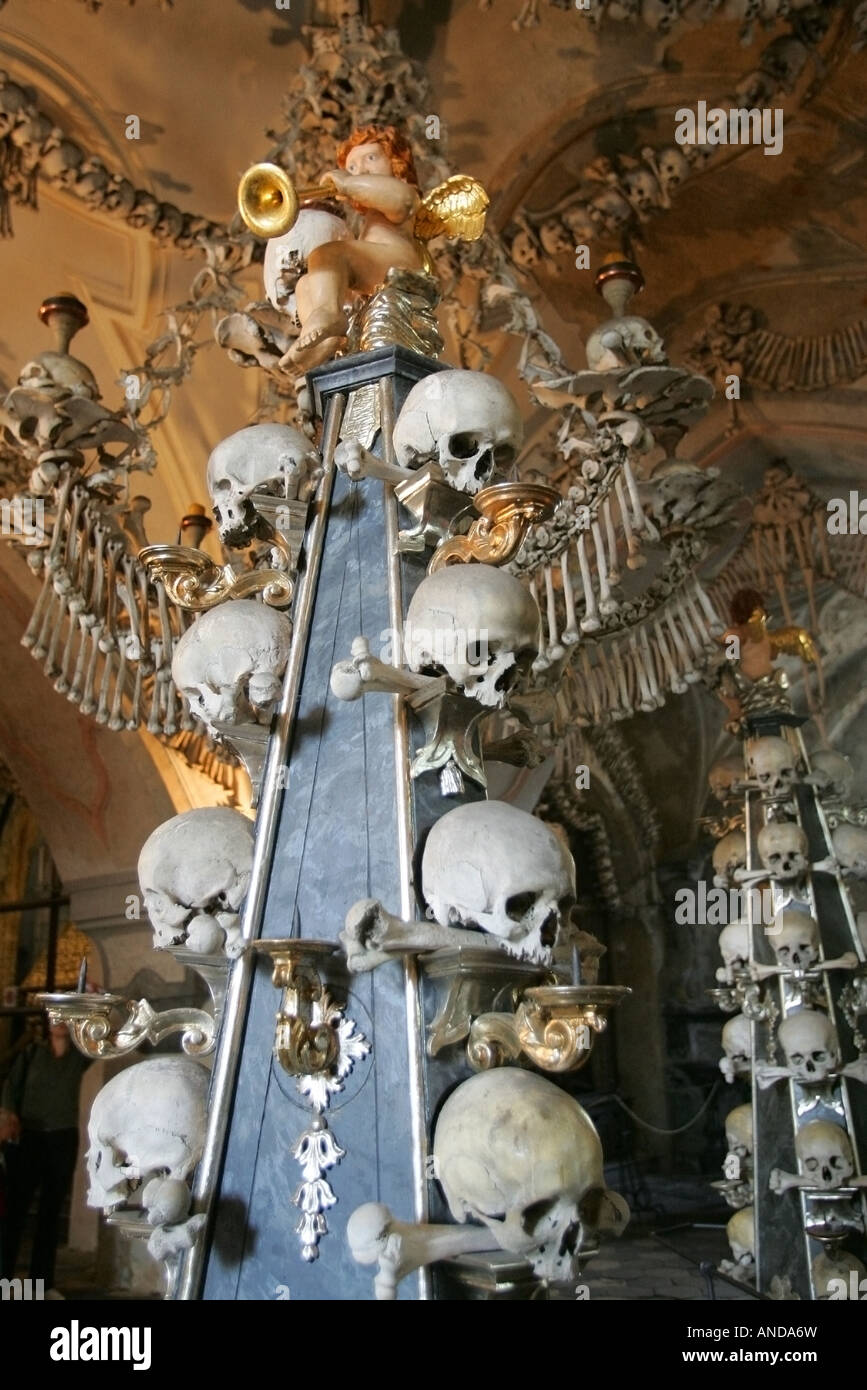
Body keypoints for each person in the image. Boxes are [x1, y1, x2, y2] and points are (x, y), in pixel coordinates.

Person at [285, 124, 424, 369]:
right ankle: (327, 338)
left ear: (397, 165)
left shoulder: (405, 191)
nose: (360, 169)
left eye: (371, 158)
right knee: (308, 281)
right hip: (376, 268)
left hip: (400, 263)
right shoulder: (368, 219)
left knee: (330, 253)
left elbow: (401, 203)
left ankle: (329, 314)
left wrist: (349, 184)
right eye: (351, 167)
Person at [1, 1019, 90, 1297]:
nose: (59, 1022)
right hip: (29, 1138)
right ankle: (4, 1281)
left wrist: (96, 999)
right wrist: (8, 1116)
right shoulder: (32, 1054)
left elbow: (101, 1039)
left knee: (49, 1215)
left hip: (62, 1138)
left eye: (65, 1018)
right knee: (15, 1212)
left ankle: (40, 1286)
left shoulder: (78, 1057)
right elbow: (11, 1089)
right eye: (55, 1018)